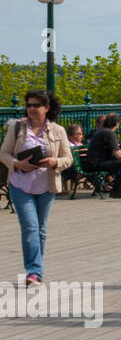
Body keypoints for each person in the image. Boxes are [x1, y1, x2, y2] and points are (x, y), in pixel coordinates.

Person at [1, 90, 73, 287]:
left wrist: (54, 161)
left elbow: (68, 158)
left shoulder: (58, 130)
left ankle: (36, 271)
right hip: (19, 183)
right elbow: (4, 153)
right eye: (29, 105)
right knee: (30, 227)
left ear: (47, 108)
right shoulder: (17, 127)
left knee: (40, 229)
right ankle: (34, 272)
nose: (31, 109)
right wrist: (17, 164)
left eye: (36, 105)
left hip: (46, 185)